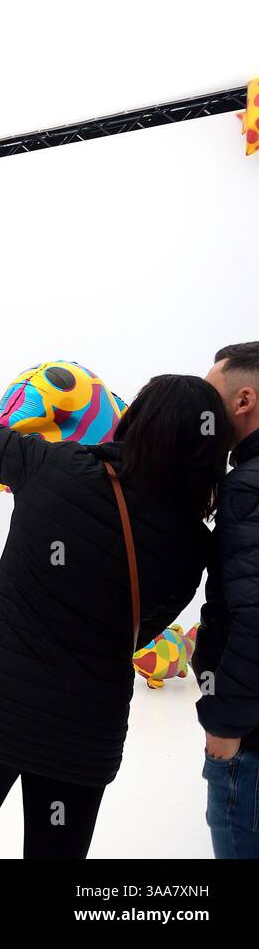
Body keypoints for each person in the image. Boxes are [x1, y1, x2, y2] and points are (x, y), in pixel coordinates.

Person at [0, 337, 229, 859]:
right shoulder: (195, 545)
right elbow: (142, 629)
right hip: (83, 733)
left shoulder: (55, 465)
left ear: (135, 422)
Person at [197, 341, 259, 858]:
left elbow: (253, 616)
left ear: (243, 401)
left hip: (249, 735)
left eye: (210, 397)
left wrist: (224, 726)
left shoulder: (248, 486)